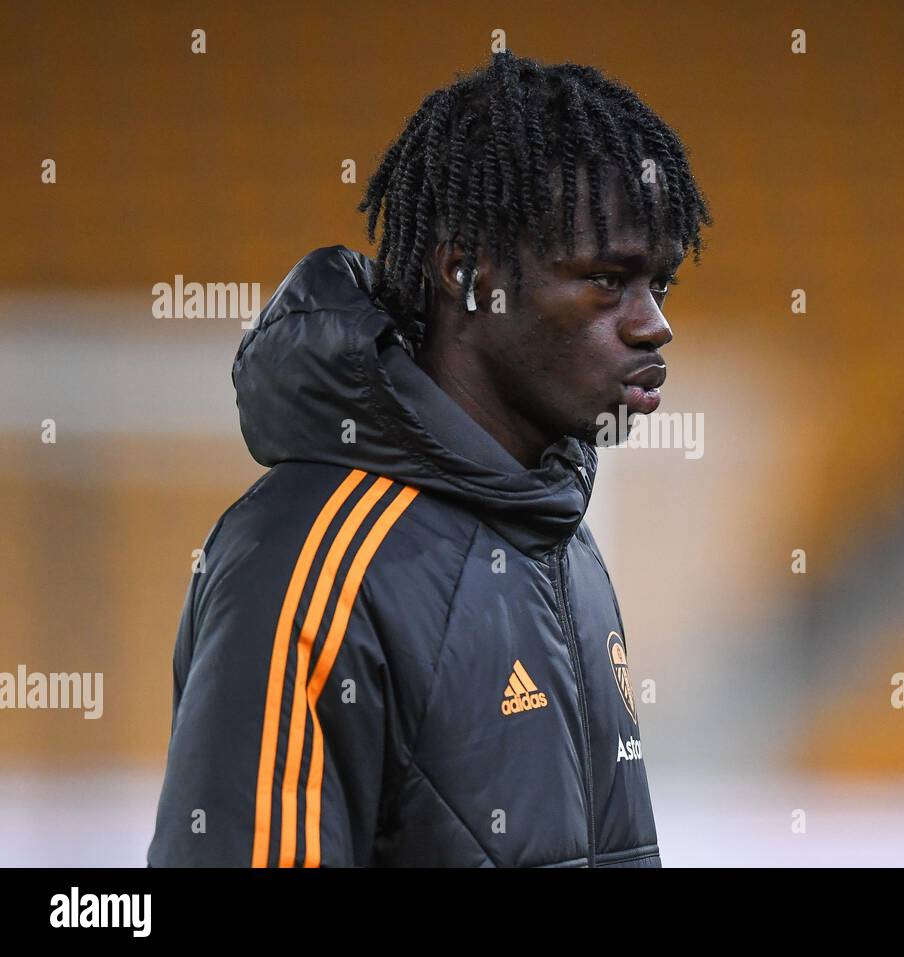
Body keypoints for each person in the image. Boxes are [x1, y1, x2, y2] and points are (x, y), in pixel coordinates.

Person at [146, 49, 711, 867]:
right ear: (466, 271)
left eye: (657, 283)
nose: (653, 323)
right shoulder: (306, 557)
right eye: (605, 279)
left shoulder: (563, 543)